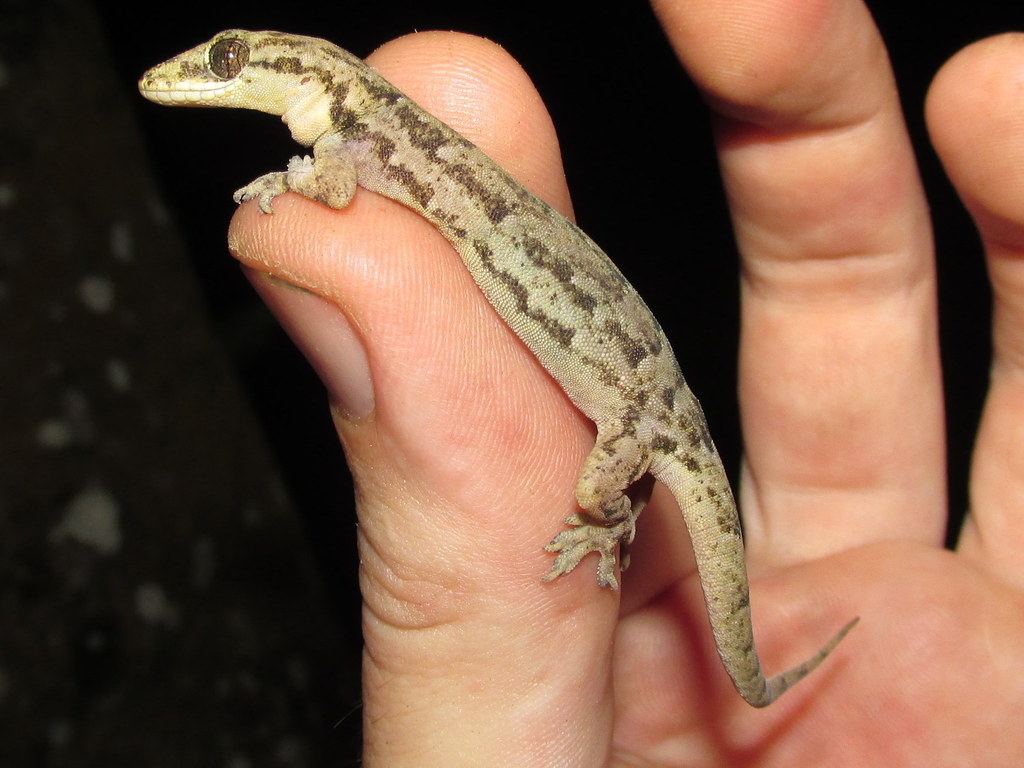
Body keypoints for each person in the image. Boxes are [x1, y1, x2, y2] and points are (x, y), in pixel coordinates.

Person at [227, 1, 1024, 764]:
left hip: (644, 415)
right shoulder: (377, 129)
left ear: (300, 73)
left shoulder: (360, 142)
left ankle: (627, 533)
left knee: (589, 498)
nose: (211, 77)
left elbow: (331, 189)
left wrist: (287, 182)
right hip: (636, 381)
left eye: (226, 64)